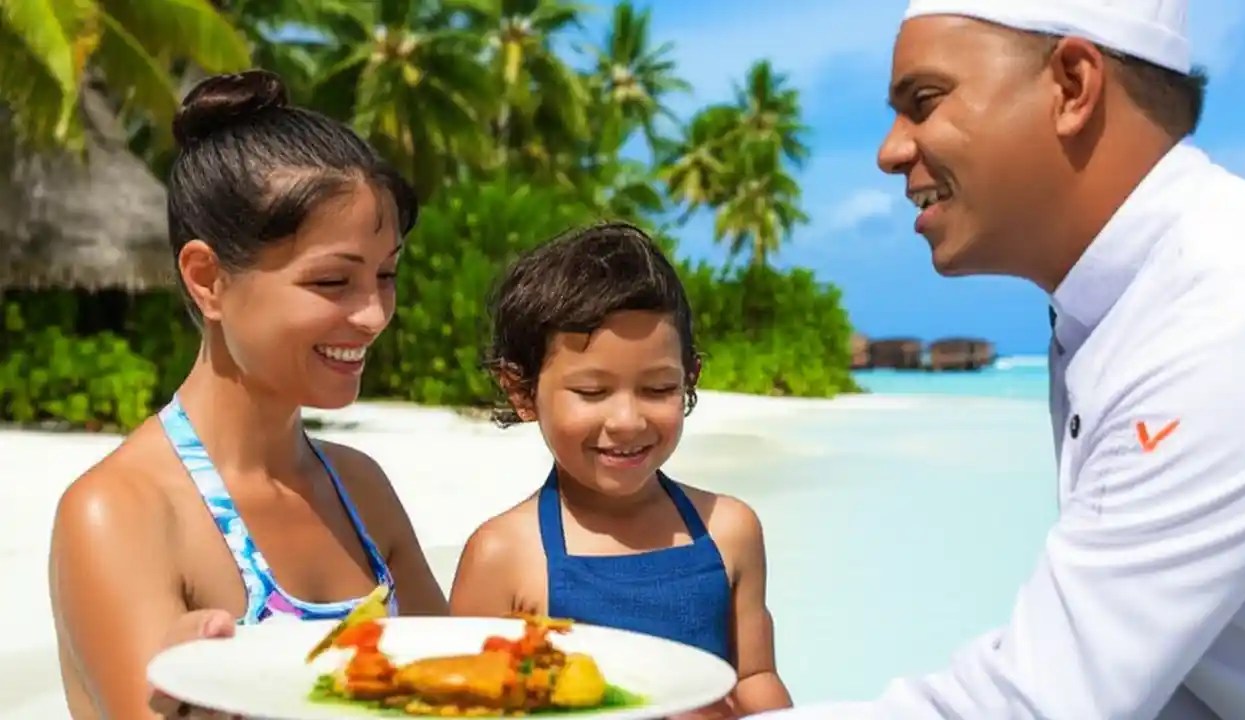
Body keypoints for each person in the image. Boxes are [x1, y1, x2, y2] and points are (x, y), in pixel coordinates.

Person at [752, 0, 1245, 718]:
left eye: (924, 102)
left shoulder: (1230, 312)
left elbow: (1040, 705)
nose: (890, 150)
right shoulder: (1120, 304)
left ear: (1072, 86)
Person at [47, 69, 448, 720]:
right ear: (208, 279)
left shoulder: (361, 489)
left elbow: (460, 692)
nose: (374, 315)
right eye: (332, 282)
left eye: (386, 275)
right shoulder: (122, 513)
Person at [447, 221, 793, 718]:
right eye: (591, 393)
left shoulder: (729, 531)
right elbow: (465, 705)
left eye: (657, 389)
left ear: (689, 379)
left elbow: (757, 679)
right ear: (521, 391)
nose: (628, 422)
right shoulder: (504, 554)